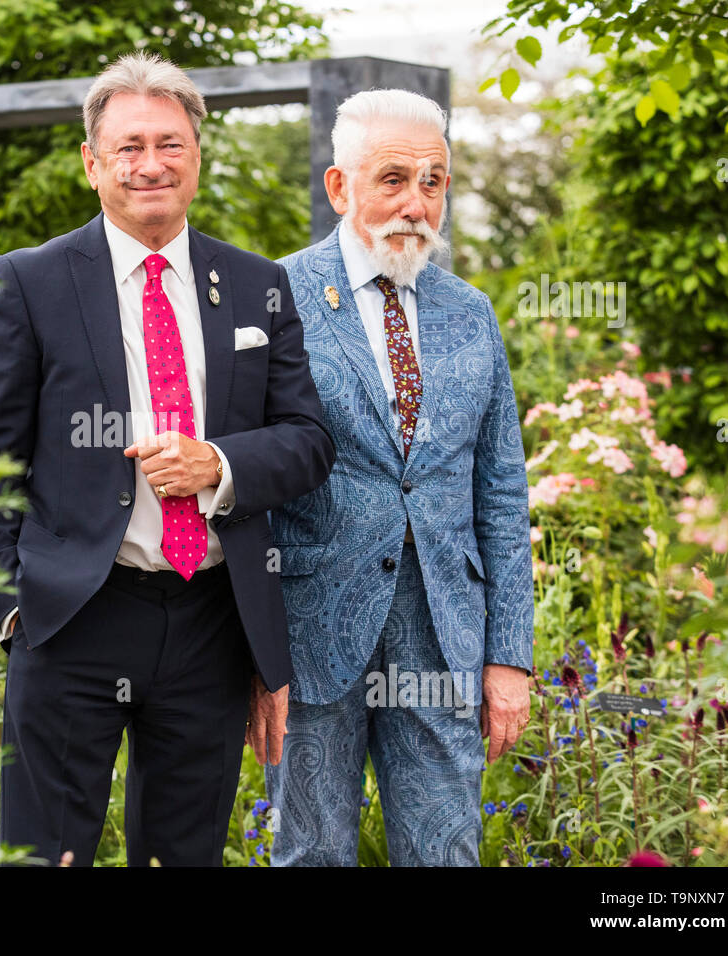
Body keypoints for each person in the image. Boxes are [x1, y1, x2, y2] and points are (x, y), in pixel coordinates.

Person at [0, 52, 334, 867]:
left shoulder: (260, 285)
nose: (151, 164)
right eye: (129, 146)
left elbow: (308, 440)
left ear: (198, 156)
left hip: (209, 624)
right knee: (45, 855)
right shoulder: (32, 283)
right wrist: (12, 610)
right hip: (72, 619)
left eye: (170, 143)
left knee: (182, 856)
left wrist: (217, 465)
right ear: (92, 163)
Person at [268, 89, 533, 866]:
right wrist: (252, 652)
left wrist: (509, 654)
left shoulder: (471, 312)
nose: (416, 202)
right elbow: (248, 477)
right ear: (340, 186)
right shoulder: (275, 296)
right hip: (311, 630)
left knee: (446, 853)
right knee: (310, 853)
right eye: (393, 178)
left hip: (445, 632)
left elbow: (502, 491)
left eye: (433, 181)